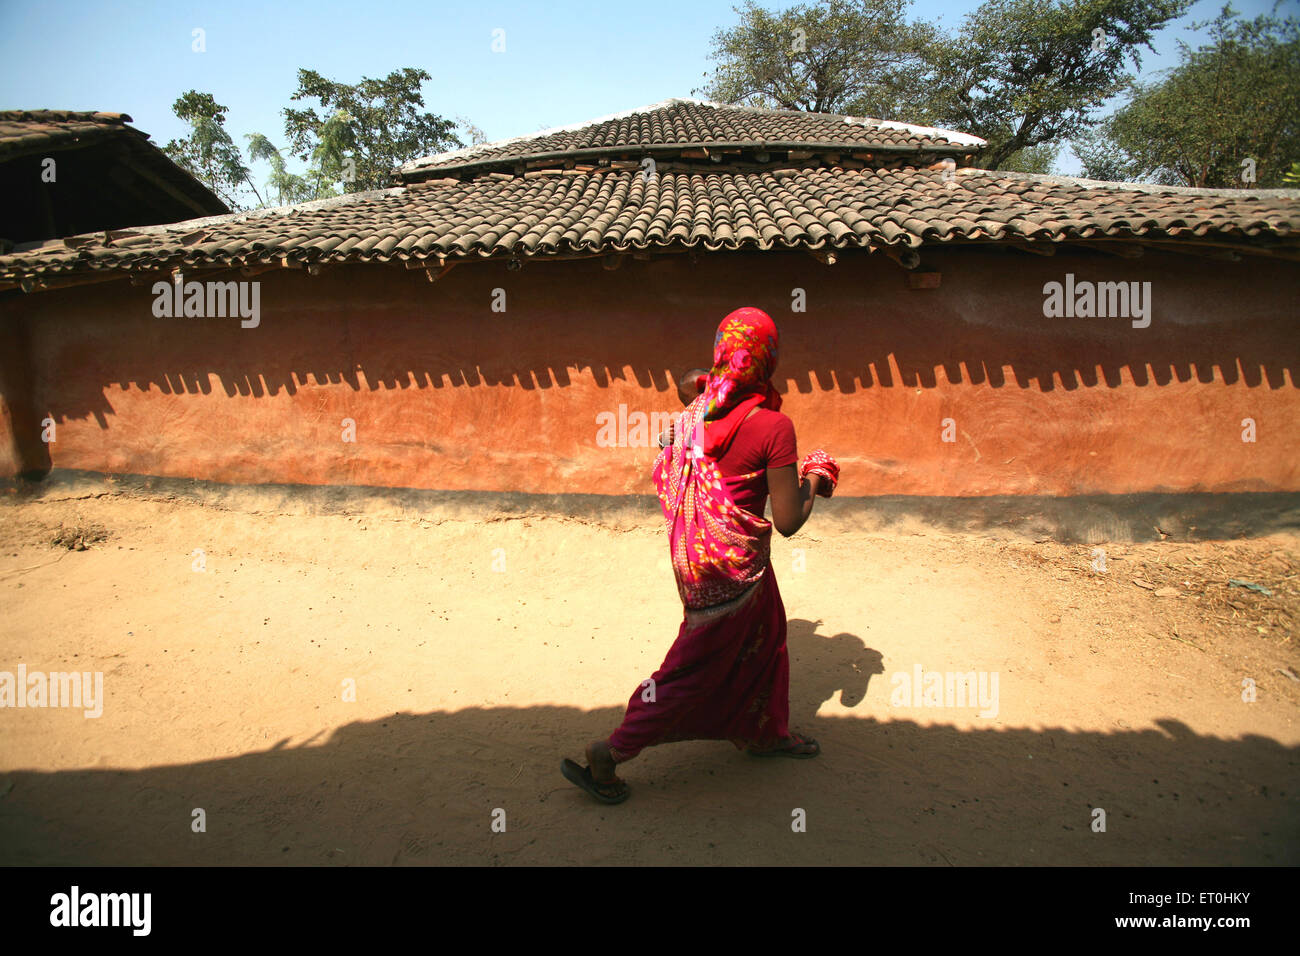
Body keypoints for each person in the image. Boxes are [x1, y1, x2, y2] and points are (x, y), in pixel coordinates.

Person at [562, 307, 840, 804]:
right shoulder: (774, 427)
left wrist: (710, 377)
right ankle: (610, 752)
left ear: (720, 354)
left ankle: (766, 732)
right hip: (737, 566)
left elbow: (689, 380)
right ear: (770, 360)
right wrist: (817, 477)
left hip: (696, 557)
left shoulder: (696, 410)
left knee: (769, 635)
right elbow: (789, 521)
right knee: (692, 671)